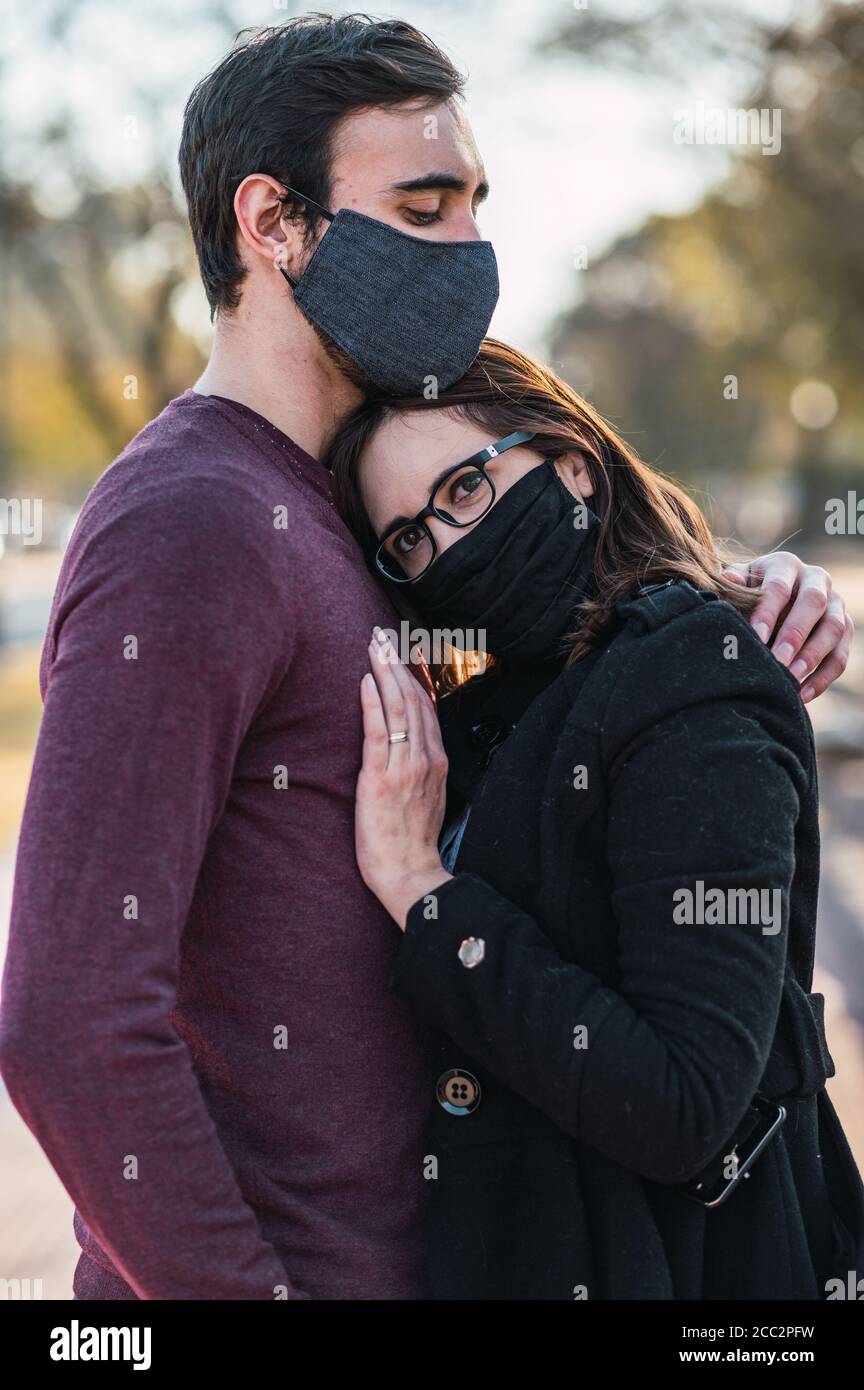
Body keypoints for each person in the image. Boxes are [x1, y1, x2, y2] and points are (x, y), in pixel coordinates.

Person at [0, 17, 853, 1302]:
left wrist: (734, 591)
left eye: (475, 204)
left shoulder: (354, 513)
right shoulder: (188, 520)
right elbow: (66, 1015)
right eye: (424, 204)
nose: (472, 250)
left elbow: (563, 673)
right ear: (273, 224)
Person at [325, 338, 864, 1300]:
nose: (447, 550)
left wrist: (422, 891)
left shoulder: (692, 677)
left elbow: (684, 1102)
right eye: (410, 540)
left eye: (464, 493)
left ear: (572, 464)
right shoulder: (500, 711)